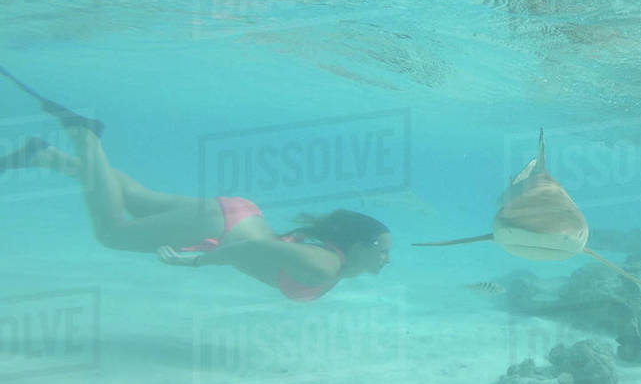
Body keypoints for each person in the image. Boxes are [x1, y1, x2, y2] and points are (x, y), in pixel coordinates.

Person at [0, 66, 390, 301]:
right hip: (225, 227)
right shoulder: (325, 265)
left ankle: (45, 157)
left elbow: (258, 248)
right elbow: (252, 248)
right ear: (357, 246)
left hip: (237, 215)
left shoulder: (335, 261)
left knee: (133, 197)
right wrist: (198, 260)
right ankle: (84, 136)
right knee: (113, 233)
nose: (386, 259)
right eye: (381, 251)